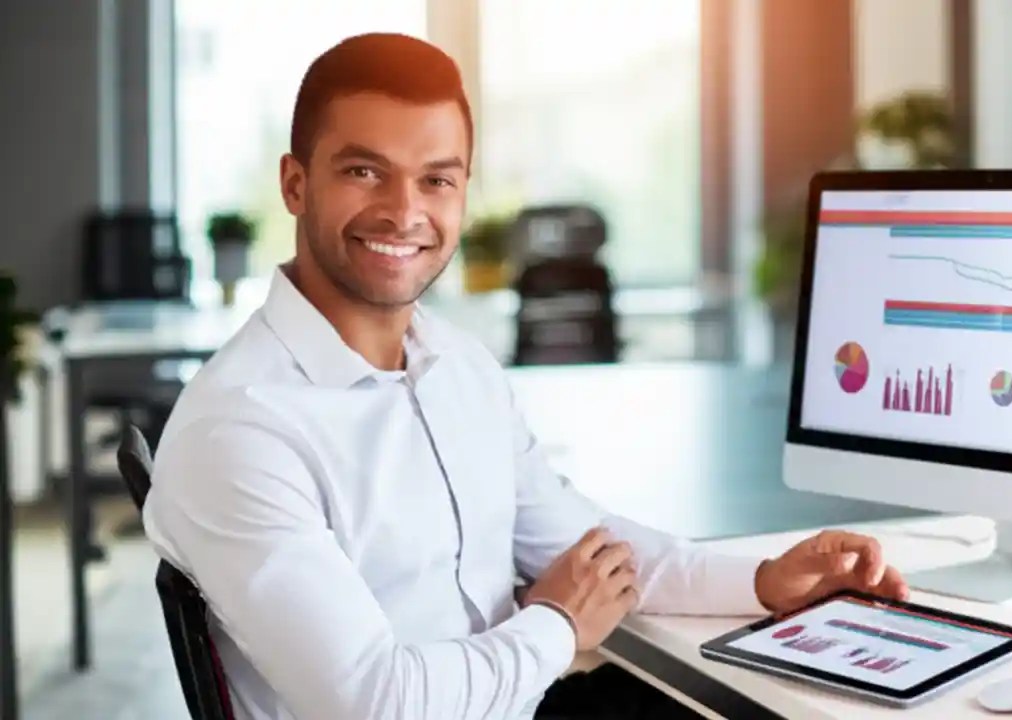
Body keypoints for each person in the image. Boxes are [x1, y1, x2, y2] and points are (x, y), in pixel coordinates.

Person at [143, 33, 909, 720]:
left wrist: (765, 580)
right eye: (364, 171)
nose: (404, 211)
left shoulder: (457, 367)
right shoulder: (241, 428)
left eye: (437, 180)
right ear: (295, 184)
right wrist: (557, 628)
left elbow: (585, 548)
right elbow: (376, 704)